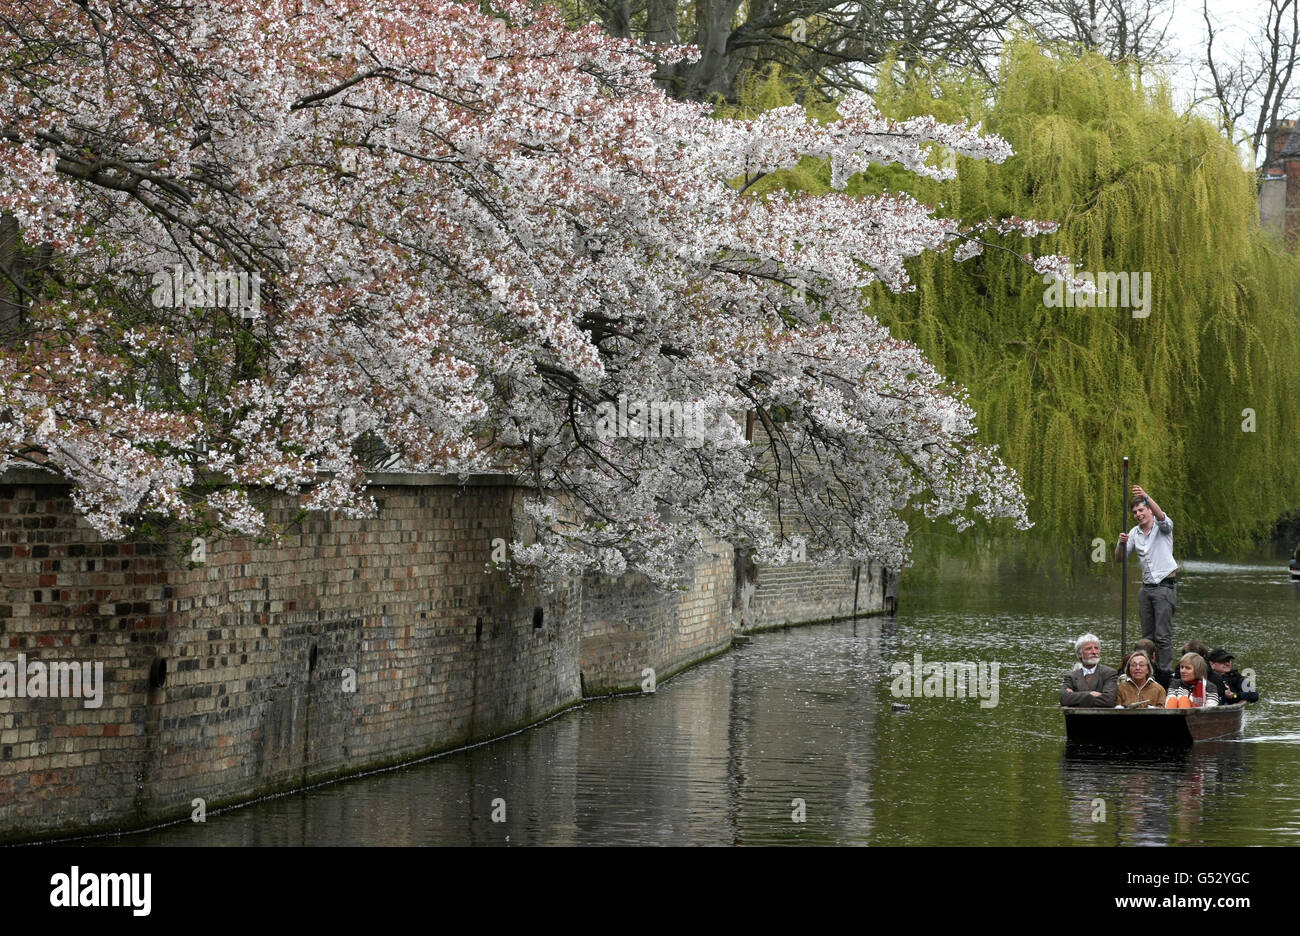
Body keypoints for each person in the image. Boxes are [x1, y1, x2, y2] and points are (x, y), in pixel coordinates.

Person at [1115, 485, 1178, 672]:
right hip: (1146, 589)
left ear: (1149, 509)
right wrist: (1121, 542)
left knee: (1162, 635)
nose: (1138, 514)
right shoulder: (1134, 533)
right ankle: (1147, 670)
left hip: (1165, 587)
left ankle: (1165, 672)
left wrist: (1146, 496)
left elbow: (1161, 516)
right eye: (1135, 512)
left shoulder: (1162, 527)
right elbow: (1120, 559)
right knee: (1147, 637)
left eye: (1141, 510)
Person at [1060, 633, 1118, 707]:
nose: (1094, 652)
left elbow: (1109, 700)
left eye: (1096, 648)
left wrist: (1075, 698)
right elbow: (1064, 699)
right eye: (1088, 649)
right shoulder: (1071, 676)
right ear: (1079, 654)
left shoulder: (1109, 673)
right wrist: (1090, 694)